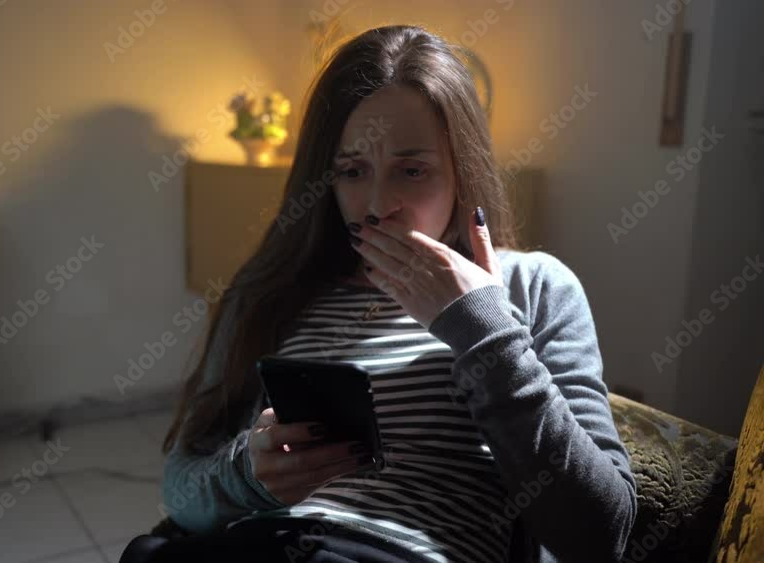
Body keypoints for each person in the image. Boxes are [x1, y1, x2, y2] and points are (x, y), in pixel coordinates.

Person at [122, 24, 636, 563]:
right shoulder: (272, 294)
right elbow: (180, 494)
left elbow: (602, 535)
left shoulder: (535, 285)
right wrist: (247, 474)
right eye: (352, 171)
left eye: (411, 170)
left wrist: (485, 332)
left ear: (462, 172)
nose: (376, 205)